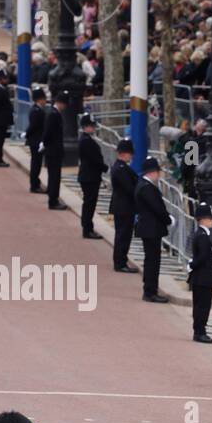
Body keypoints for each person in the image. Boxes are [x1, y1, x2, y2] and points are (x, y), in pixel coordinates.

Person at [134, 157, 171, 303]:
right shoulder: (147, 188)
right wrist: (168, 220)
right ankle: (150, 291)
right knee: (152, 261)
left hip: (149, 228)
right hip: (151, 229)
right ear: (152, 172)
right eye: (157, 172)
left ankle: (150, 290)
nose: (159, 175)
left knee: (151, 260)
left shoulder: (143, 185)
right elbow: (157, 208)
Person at [188, 202, 212, 342]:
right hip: (203, 277)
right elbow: (202, 257)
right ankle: (200, 331)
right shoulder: (202, 236)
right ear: (202, 219)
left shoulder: (200, 234)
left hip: (201, 277)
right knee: (203, 306)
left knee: (201, 305)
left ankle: (199, 330)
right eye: (209, 218)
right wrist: (192, 265)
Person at [110, 140, 139, 273]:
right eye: (129, 154)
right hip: (124, 207)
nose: (131, 156)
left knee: (123, 234)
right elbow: (129, 188)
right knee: (123, 235)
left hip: (123, 206)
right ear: (124, 154)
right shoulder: (121, 169)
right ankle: (120, 262)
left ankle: (121, 260)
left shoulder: (120, 167)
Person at [78, 112, 105, 239]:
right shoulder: (86, 141)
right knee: (89, 204)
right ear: (85, 126)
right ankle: (87, 229)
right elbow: (95, 160)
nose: (93, 128)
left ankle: (87, 227)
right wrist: (106, 168)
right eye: (91, 126)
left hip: (89, 176)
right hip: (90, 177)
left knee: (89, 203)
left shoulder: (86, 140)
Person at [43, 92, 69, 210]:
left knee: (54, 176)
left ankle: (53, 198)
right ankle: (53, 200)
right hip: (53, 150)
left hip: (53, 149)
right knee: (54, 177)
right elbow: (49, 133)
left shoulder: (54, 113)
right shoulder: (54, 115)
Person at [26, 86, 48, 193]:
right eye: (44, 99)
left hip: (36, 140)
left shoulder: (37, 110)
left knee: (36, 163)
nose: (45, 101)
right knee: (36, 164)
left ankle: (36, 183)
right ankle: (34, 185)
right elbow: (34, 126)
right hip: (35, 141)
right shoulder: (37, 111)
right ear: (39, 99)